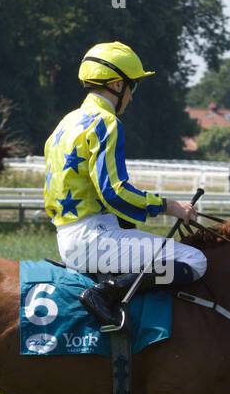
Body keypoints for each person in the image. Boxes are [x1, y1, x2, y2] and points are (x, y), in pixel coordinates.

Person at [43, 41, 204, 332]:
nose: (132, 96)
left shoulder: (66, 122)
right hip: (94, 239)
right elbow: (115, 192)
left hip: (70, 235)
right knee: (194, 260)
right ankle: (105, 293)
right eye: (133, 87)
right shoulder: (106, 123)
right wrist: (170, 207)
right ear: (117, 85)